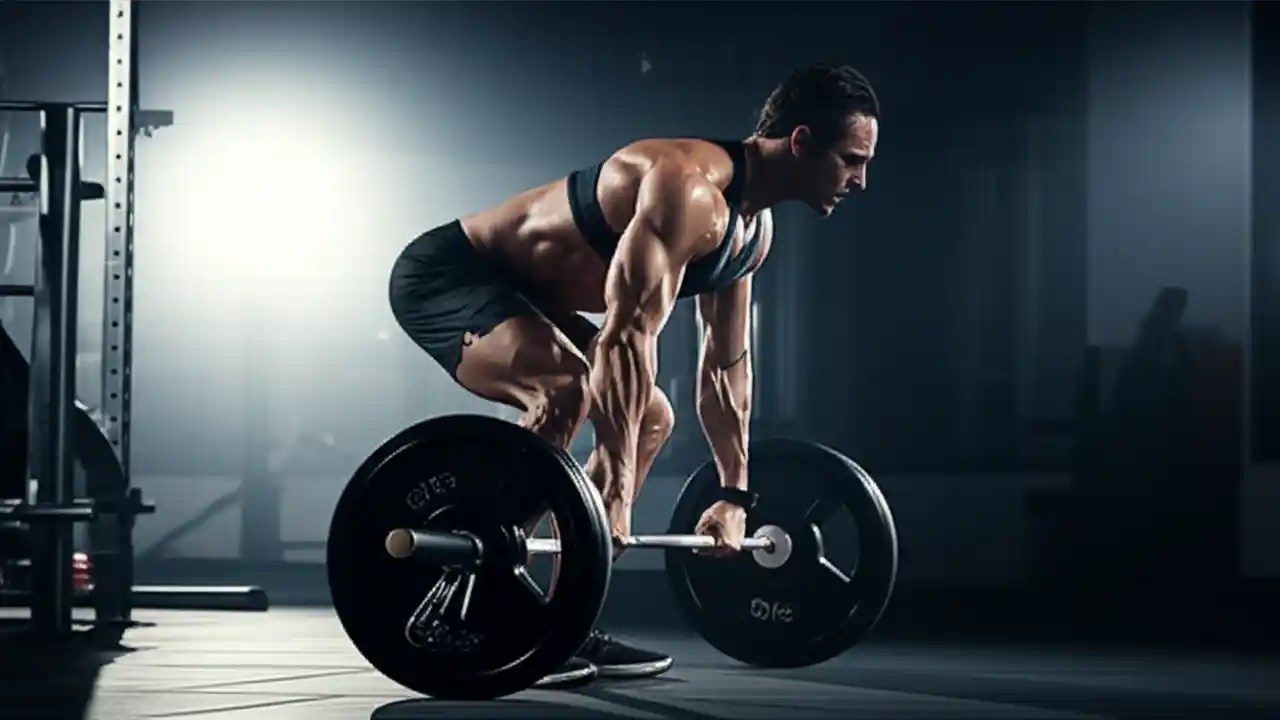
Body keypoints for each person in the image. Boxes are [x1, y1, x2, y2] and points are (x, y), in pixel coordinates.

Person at [387, 61, 879, 684]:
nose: (859, 180)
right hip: (451, 275)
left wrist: (733, 496)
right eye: (851, 159)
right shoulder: (685, 186)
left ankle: (557, 622)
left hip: (530, 298)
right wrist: (616, 494)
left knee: (652, 419)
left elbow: (727, 369)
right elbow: (626, 336)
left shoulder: (751, 233)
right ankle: (465, 605)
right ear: (802, 142)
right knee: (564, 389)